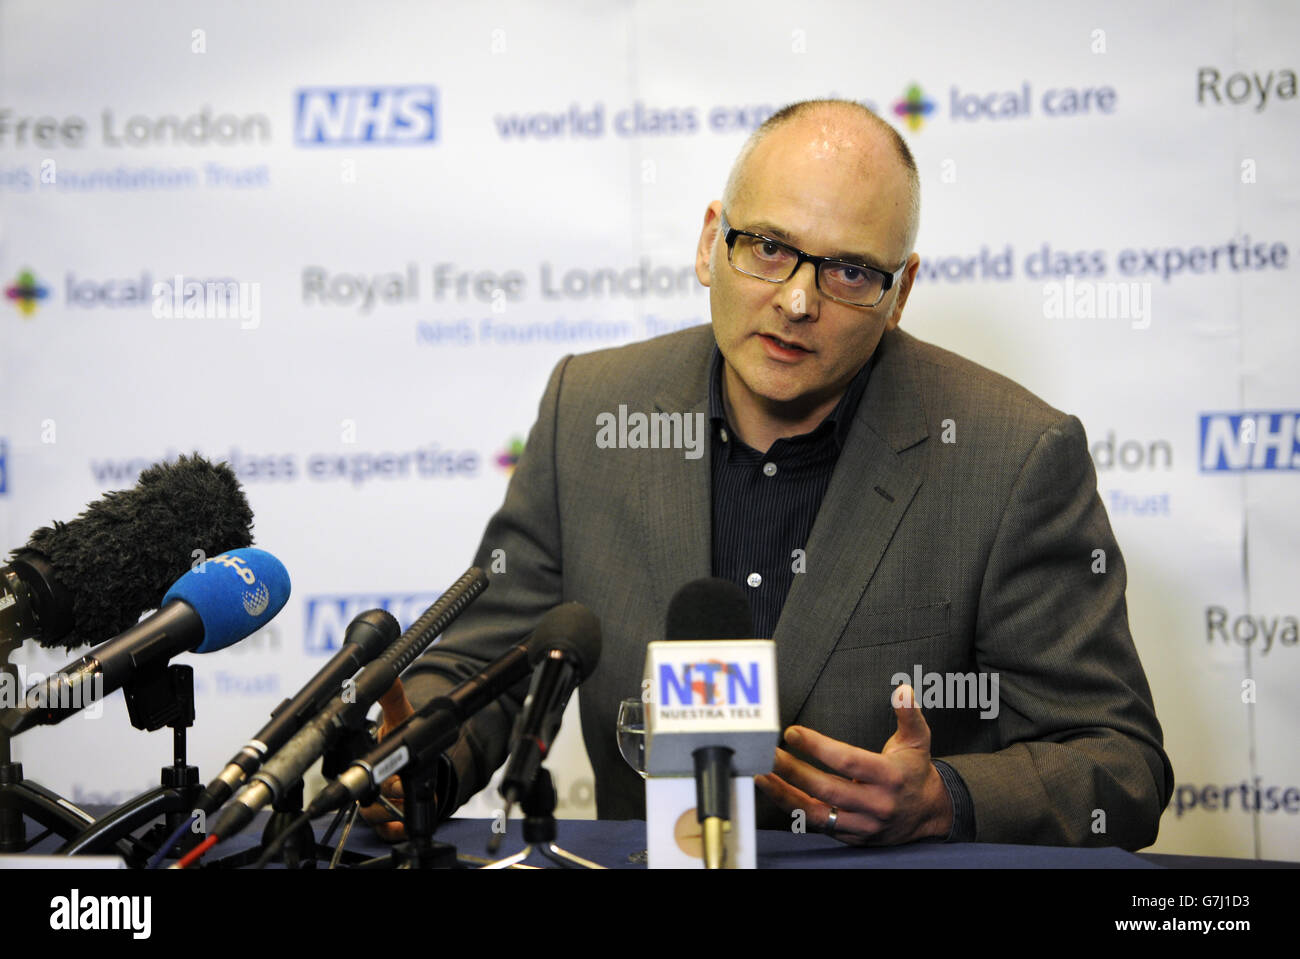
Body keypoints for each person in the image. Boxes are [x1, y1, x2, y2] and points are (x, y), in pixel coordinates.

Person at [372, 98, 1173, 849]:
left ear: (901, 294)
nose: (797, 301)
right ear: (709, 241)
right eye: (769, 248)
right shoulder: (591, 413)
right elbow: (487, 670)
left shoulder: (1011, 456)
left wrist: (946, 798)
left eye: (850, 271)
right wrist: (412, 762)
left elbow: (1121, 762)